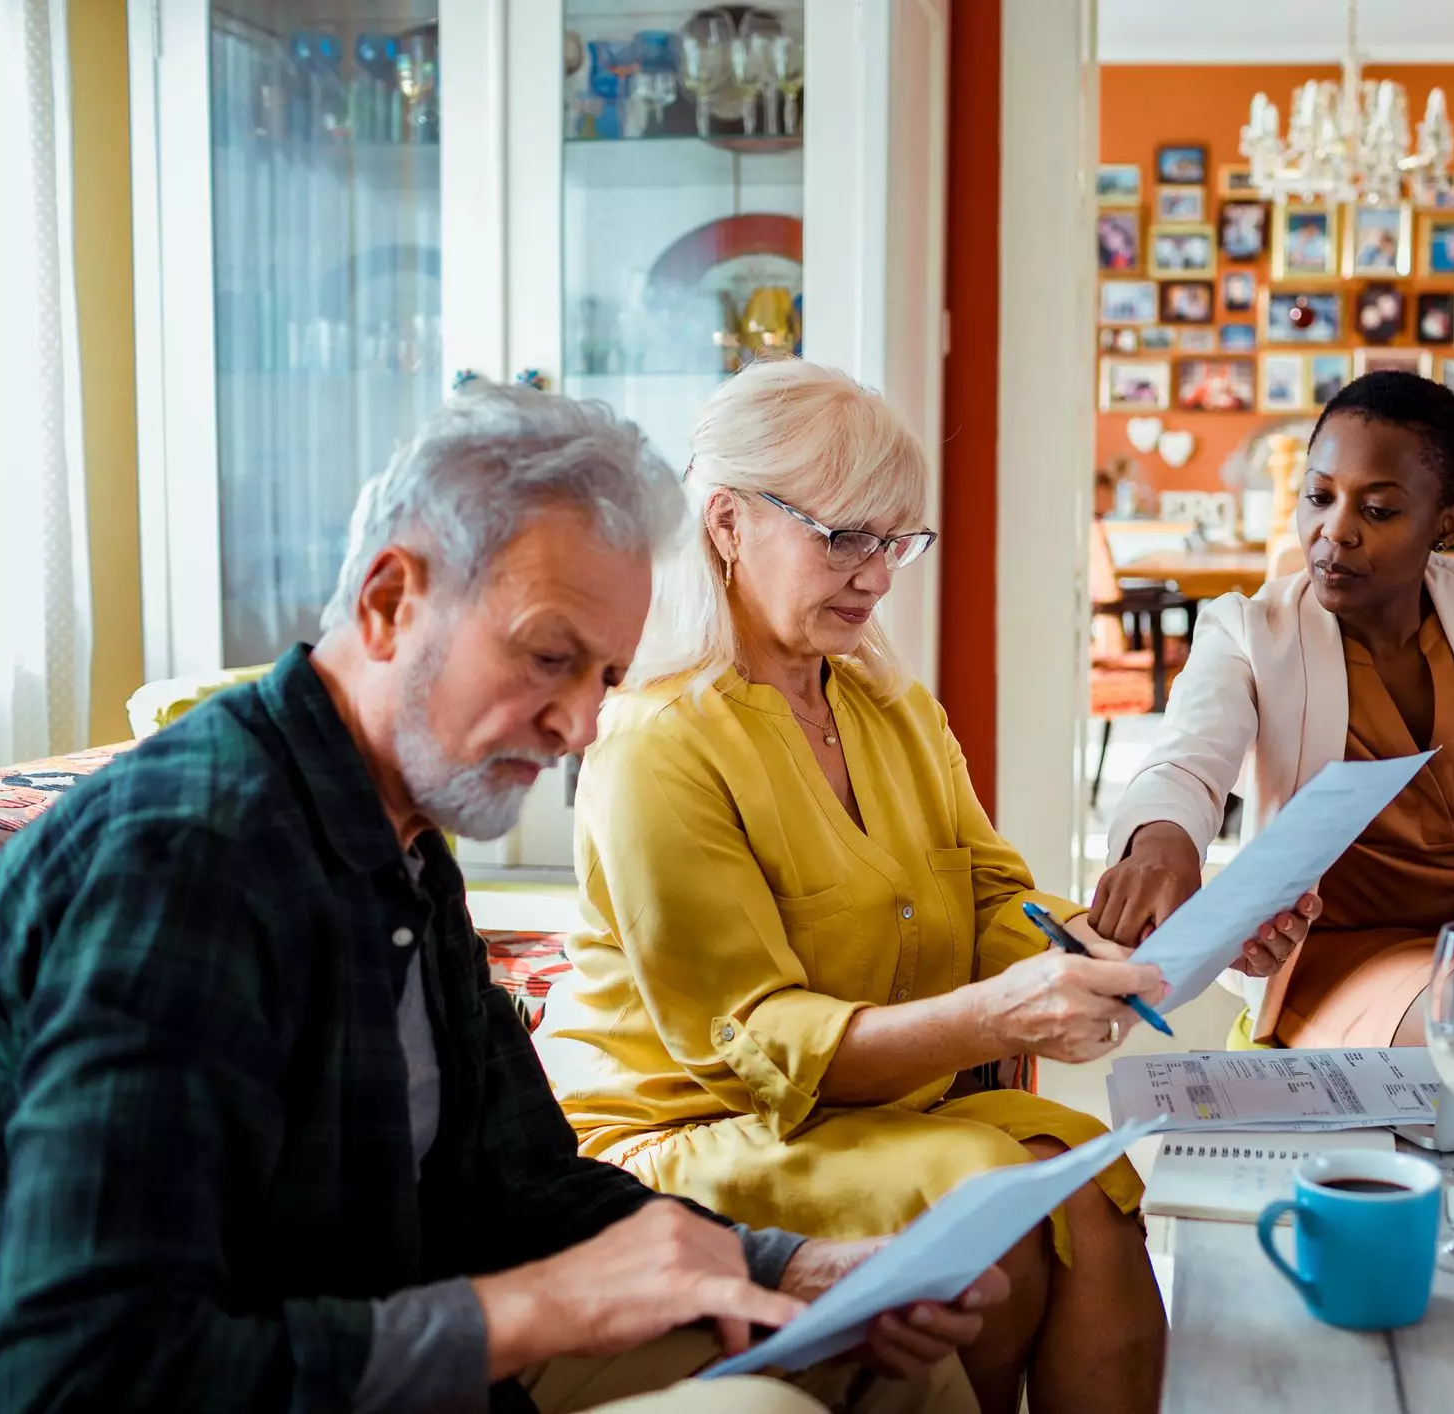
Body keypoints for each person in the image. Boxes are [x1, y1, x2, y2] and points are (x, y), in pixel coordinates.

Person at [0, 382, 1001, 1414]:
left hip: (393, 1352)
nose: (582, 727)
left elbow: (522, 1184)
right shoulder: (184, 868)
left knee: (893, 1360)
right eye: (550, 658)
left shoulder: (406, 845)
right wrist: (536, 1312)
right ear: (390, 603)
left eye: (605, 676)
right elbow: (81, 1369)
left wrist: (780, 1264)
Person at [534, 361, 1303, 1414]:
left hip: (875, 1111)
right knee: (1000, 1214)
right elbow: (757, 1044)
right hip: (699, 1129)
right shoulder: (660, 746)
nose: (879, 574)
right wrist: (995, 1013)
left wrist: (1129, 947)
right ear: (724, 523)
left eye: (896, 539)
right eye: (844, 537)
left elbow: (996, 897)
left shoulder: (889, 705)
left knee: (1091, 1190)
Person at [1090, 371, 1454, 1049]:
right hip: (1340, 956)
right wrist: (1160, 843)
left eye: (1376, 511)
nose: (1333, 532)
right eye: (1318, 496)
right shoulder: (1249, 633)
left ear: (1445, 522)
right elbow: (1184, 765)